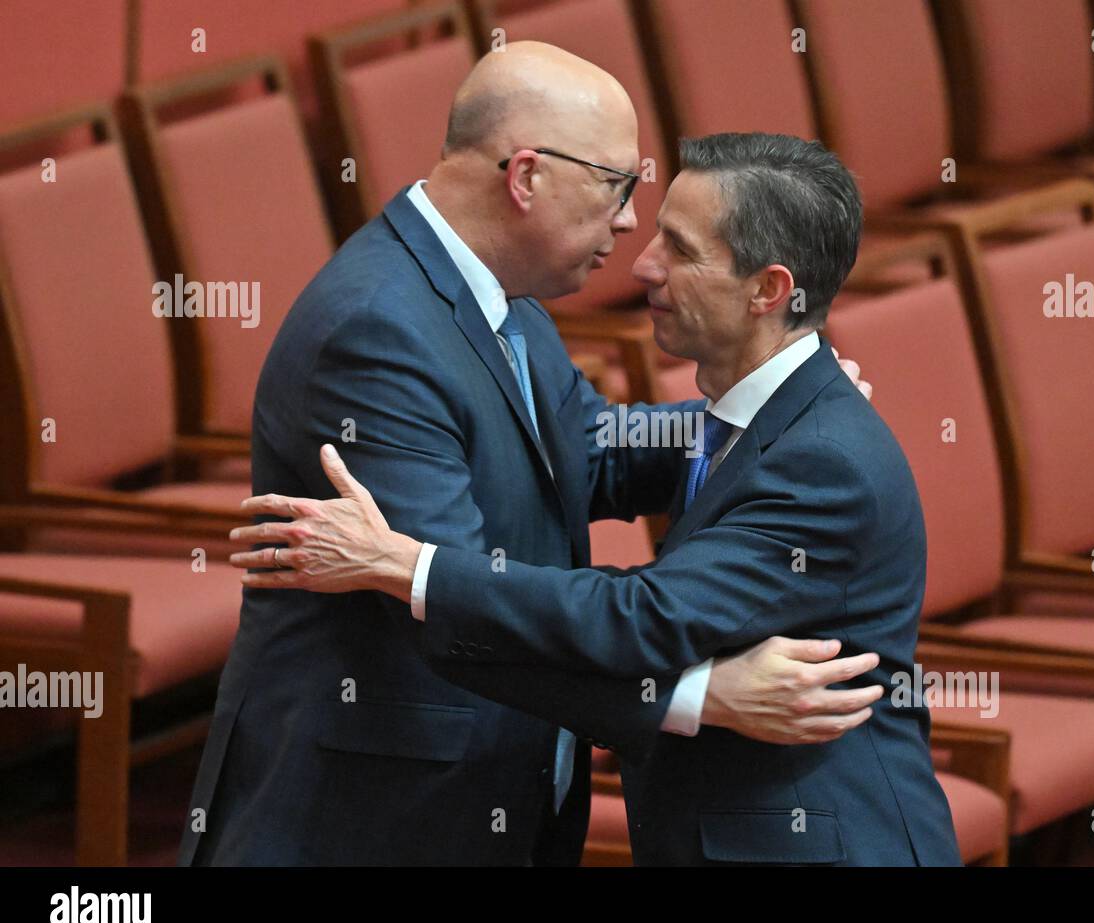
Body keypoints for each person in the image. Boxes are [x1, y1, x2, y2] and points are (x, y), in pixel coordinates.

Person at [182, 43, 880, 866]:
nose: (628, 225)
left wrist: (753, 421)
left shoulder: (498, 300)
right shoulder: (377, 333)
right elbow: (455, 606)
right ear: (525, 177)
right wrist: (697, 694)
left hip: (490, 793)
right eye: (617, 187)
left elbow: (595, 451)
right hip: (376, 816)